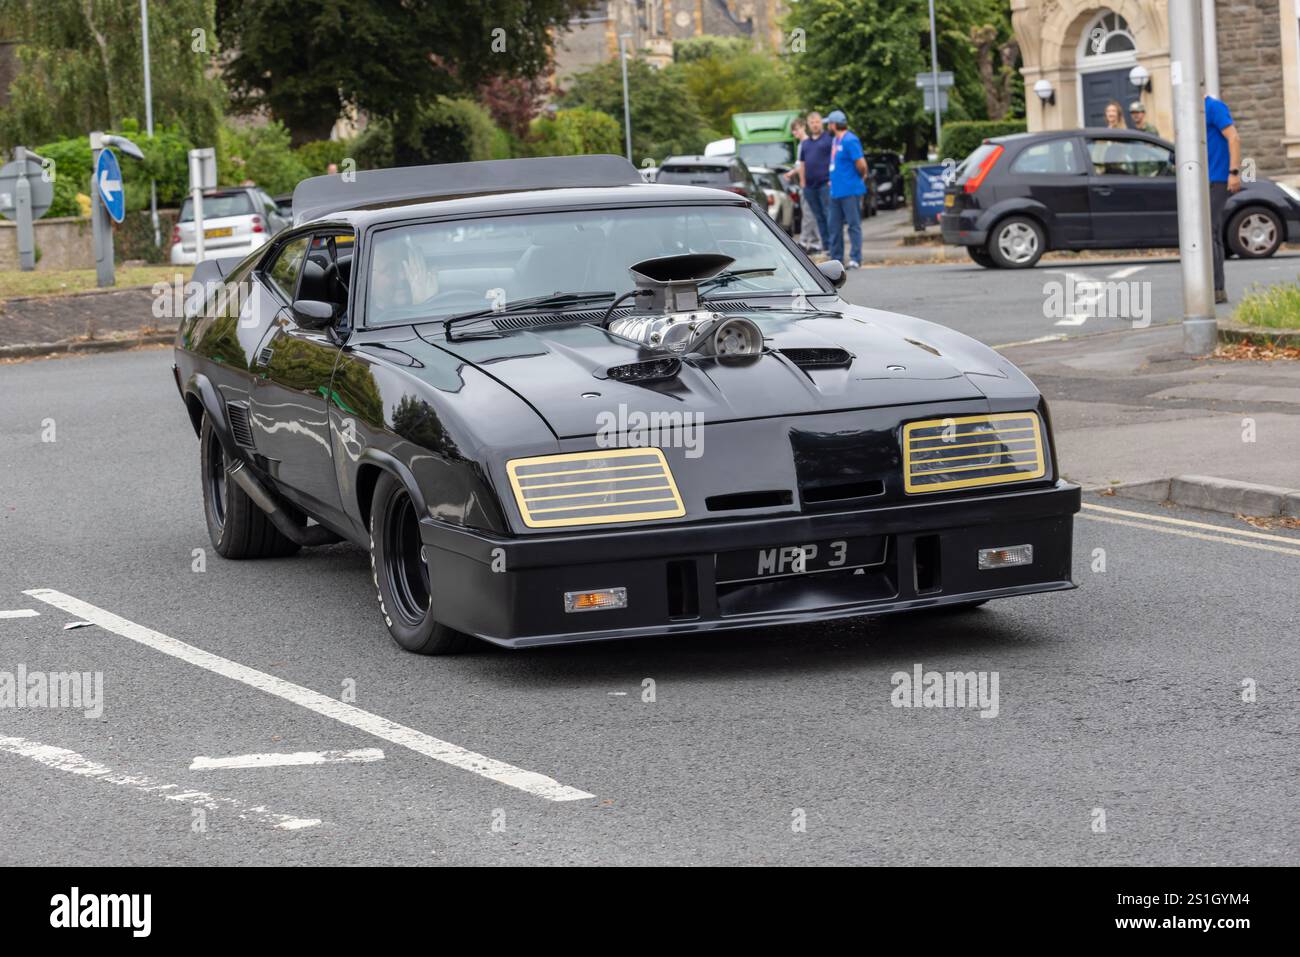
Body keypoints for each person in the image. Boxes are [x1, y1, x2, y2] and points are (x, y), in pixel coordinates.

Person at [1205, 94, 1242, 304]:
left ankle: (1216, 289)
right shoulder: (1189, 112)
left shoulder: (1213, 106)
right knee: (1211, 234)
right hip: (1200, 181)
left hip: (1217, 179)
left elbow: (1234, 137)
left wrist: (1234, 172)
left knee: (1209, 233)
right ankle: (1215, 289)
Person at [823, 109, 866, 268]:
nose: (827, 126)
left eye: (829, 124)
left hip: (850, 190)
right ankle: (836, 259)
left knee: (853, 225)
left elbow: (861, 164)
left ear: (834, 125)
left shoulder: (850, 140)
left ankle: (855, 258)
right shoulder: (836, 140)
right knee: (834, 226)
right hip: (836, 191)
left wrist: (858, 178)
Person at [786, 111, 832, 252]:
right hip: (809, 186)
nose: (795, 133)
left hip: (822, 184)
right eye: (812, 122)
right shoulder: (805, 144)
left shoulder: (825, 140)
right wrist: (803, 182)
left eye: (797, 129)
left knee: (821, 214)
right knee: (815, 215)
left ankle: (811, 241)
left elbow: (833, 159)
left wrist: (831, 178)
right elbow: (802, 163)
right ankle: (819, 243)